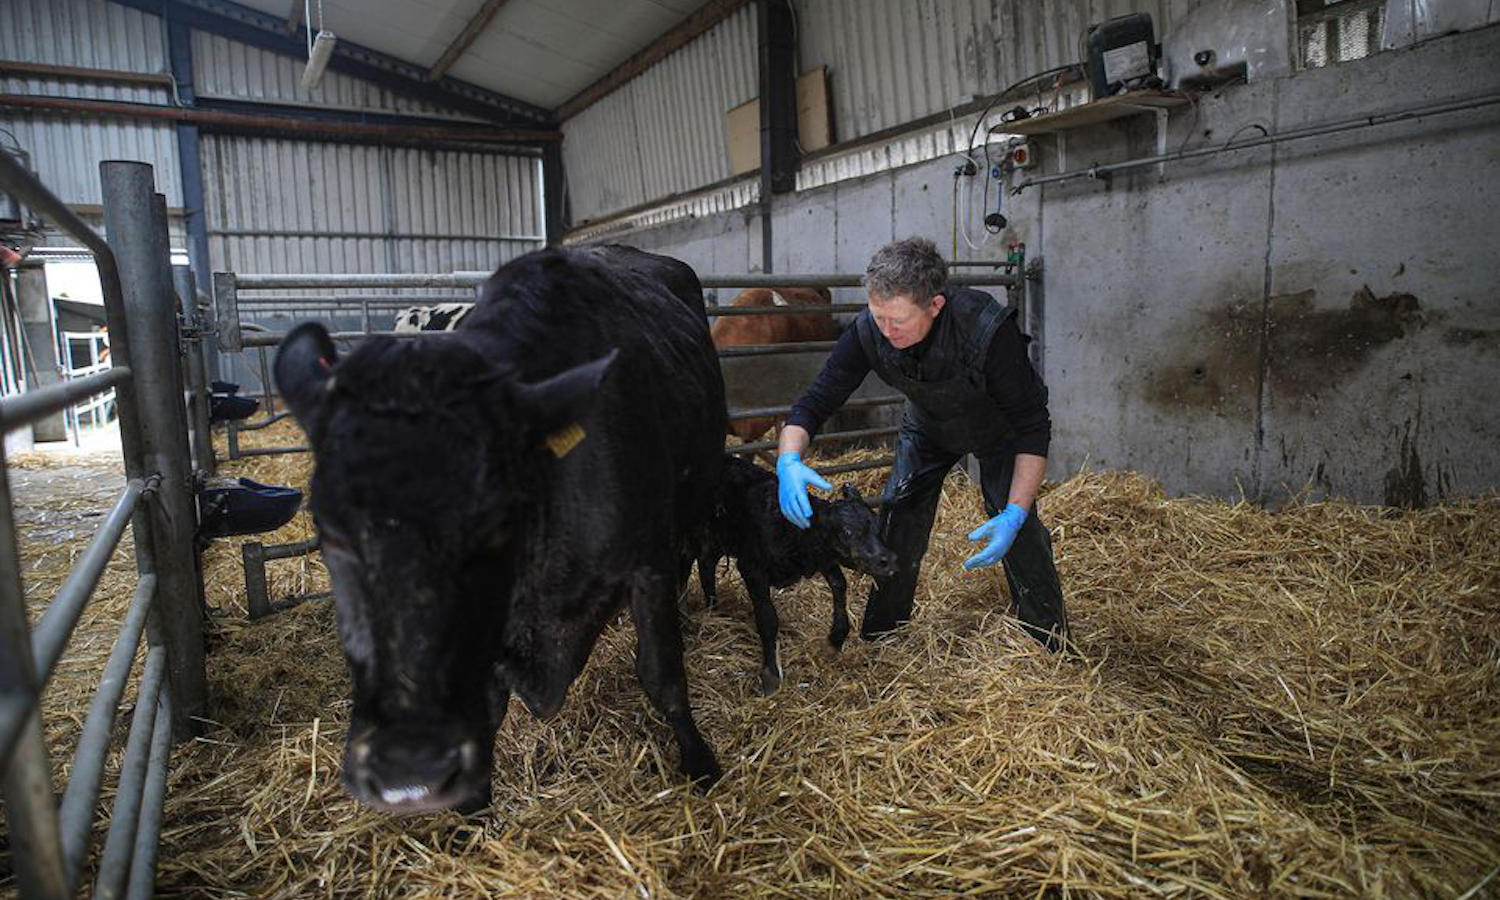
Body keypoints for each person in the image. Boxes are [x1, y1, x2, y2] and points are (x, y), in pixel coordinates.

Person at [774, 237, 1068, 650]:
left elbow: (1033, 426)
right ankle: (883, 637)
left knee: (1019, 533)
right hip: (928, 427)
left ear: (934, 306)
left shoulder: (985, 329)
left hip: (998, 432)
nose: (886, 331)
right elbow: (815, 401)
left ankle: (1048, 642)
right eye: (879, 318)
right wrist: (788, 459)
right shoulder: (869, 331)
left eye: (897, 321)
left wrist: (1017, 512)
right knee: (898, 519)